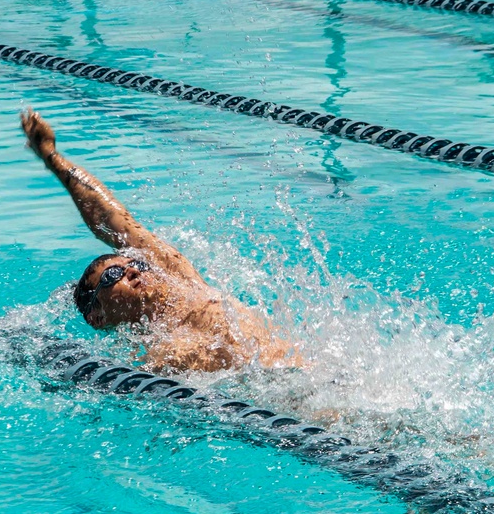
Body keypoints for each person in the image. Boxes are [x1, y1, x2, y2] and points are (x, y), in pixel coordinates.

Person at [20, 109, 300, 373]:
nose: (132, 271)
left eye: (136, 264)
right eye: (113, 275)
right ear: (98, 317)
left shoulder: (181, 280)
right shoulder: (153, 361)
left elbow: (109, 216)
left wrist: (51, 156)